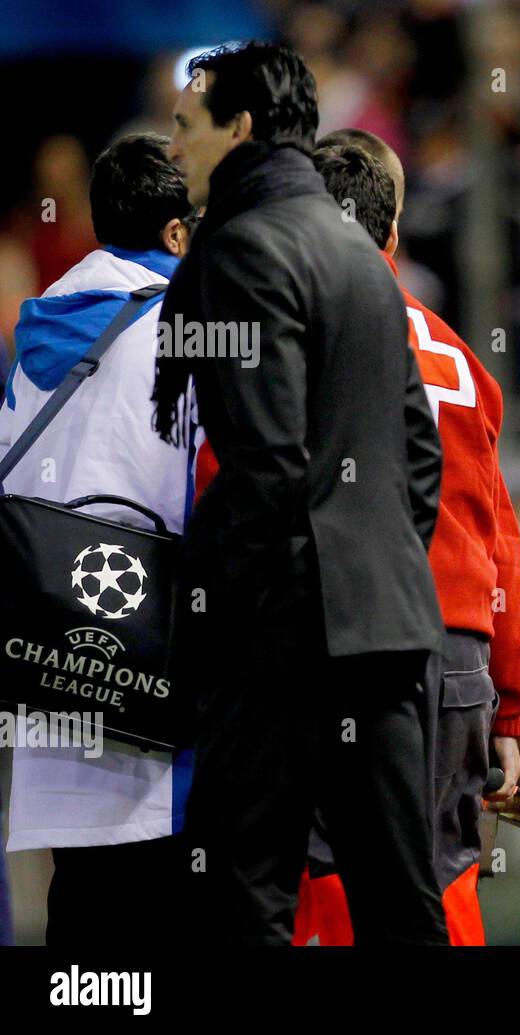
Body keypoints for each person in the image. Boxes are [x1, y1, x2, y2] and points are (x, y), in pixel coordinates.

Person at [151, 41, 445, 945]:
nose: (172, 148)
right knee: (401, 896)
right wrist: (374, 561)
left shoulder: (241, 248)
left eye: (185, 125)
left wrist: (223, 611)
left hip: (284, 635)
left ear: (239, 129)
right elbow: (419, 454)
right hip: (385, 624)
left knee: (242, 895)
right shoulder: (361, 255)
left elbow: (266, 467)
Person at [309, 135, 520, 945]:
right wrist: (513, 704)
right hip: (458, 660)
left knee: (330, 870)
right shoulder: (464, 360)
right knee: (445, 874)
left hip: (347, 641)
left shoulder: (296, 335)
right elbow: (499, 536)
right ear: (393, 232)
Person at [0, 133, 193, 945]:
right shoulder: (186, 329)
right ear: (179, 233)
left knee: (83, 895)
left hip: (50, 642)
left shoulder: (37, 330)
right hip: (154, 652)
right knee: (161, 890)